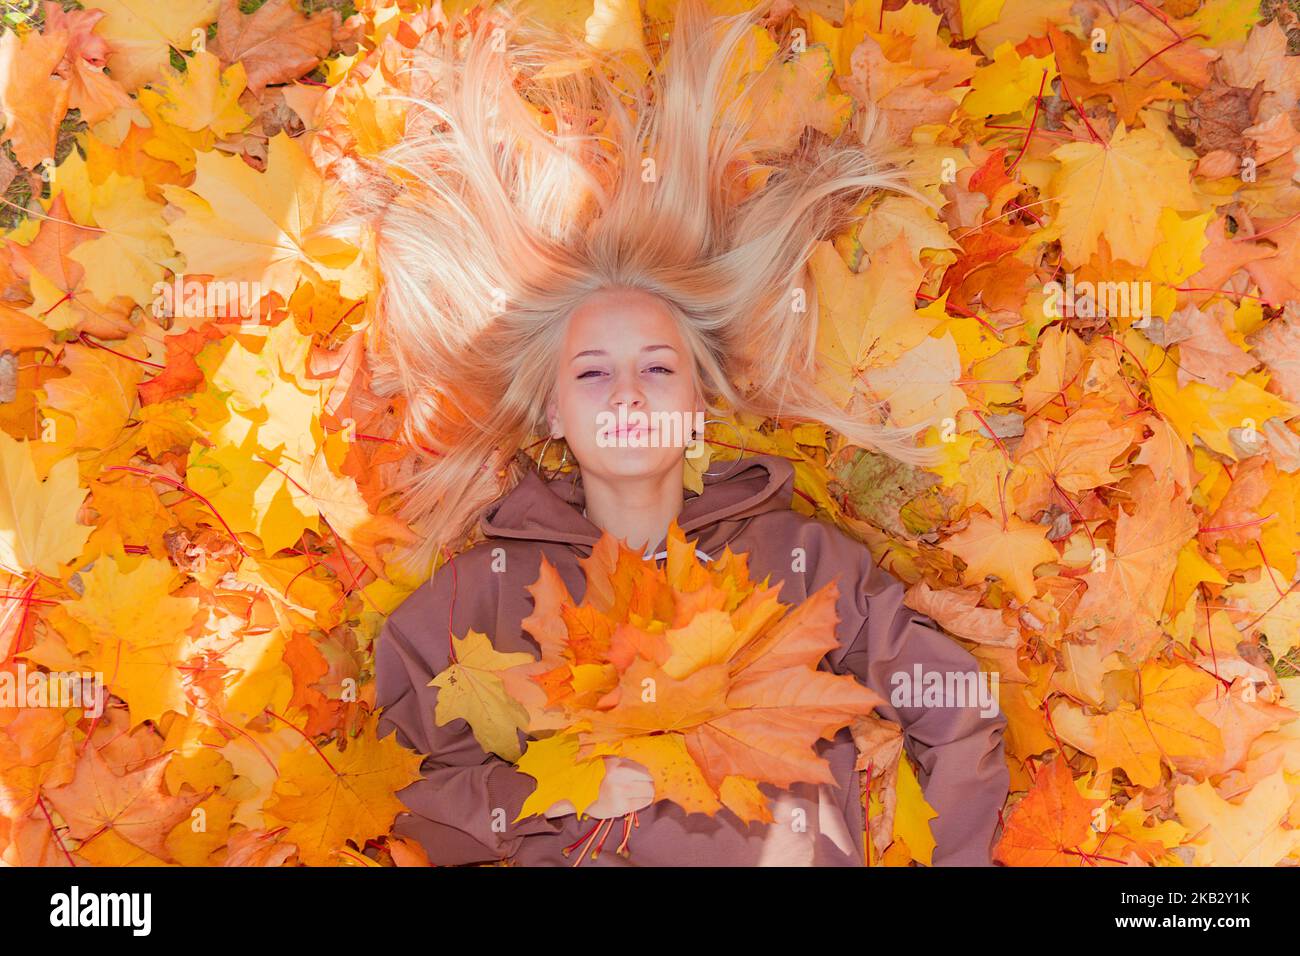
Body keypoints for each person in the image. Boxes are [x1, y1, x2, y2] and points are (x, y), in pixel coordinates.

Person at [342, 0, 1010, 865]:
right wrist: (558, 797)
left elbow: (954, 702)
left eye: (658, 368)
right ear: (553, 410)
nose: (626, 391)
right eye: (591, 372)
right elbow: (404, 796)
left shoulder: (796, 562)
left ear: (698, 403)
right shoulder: (476, 599)